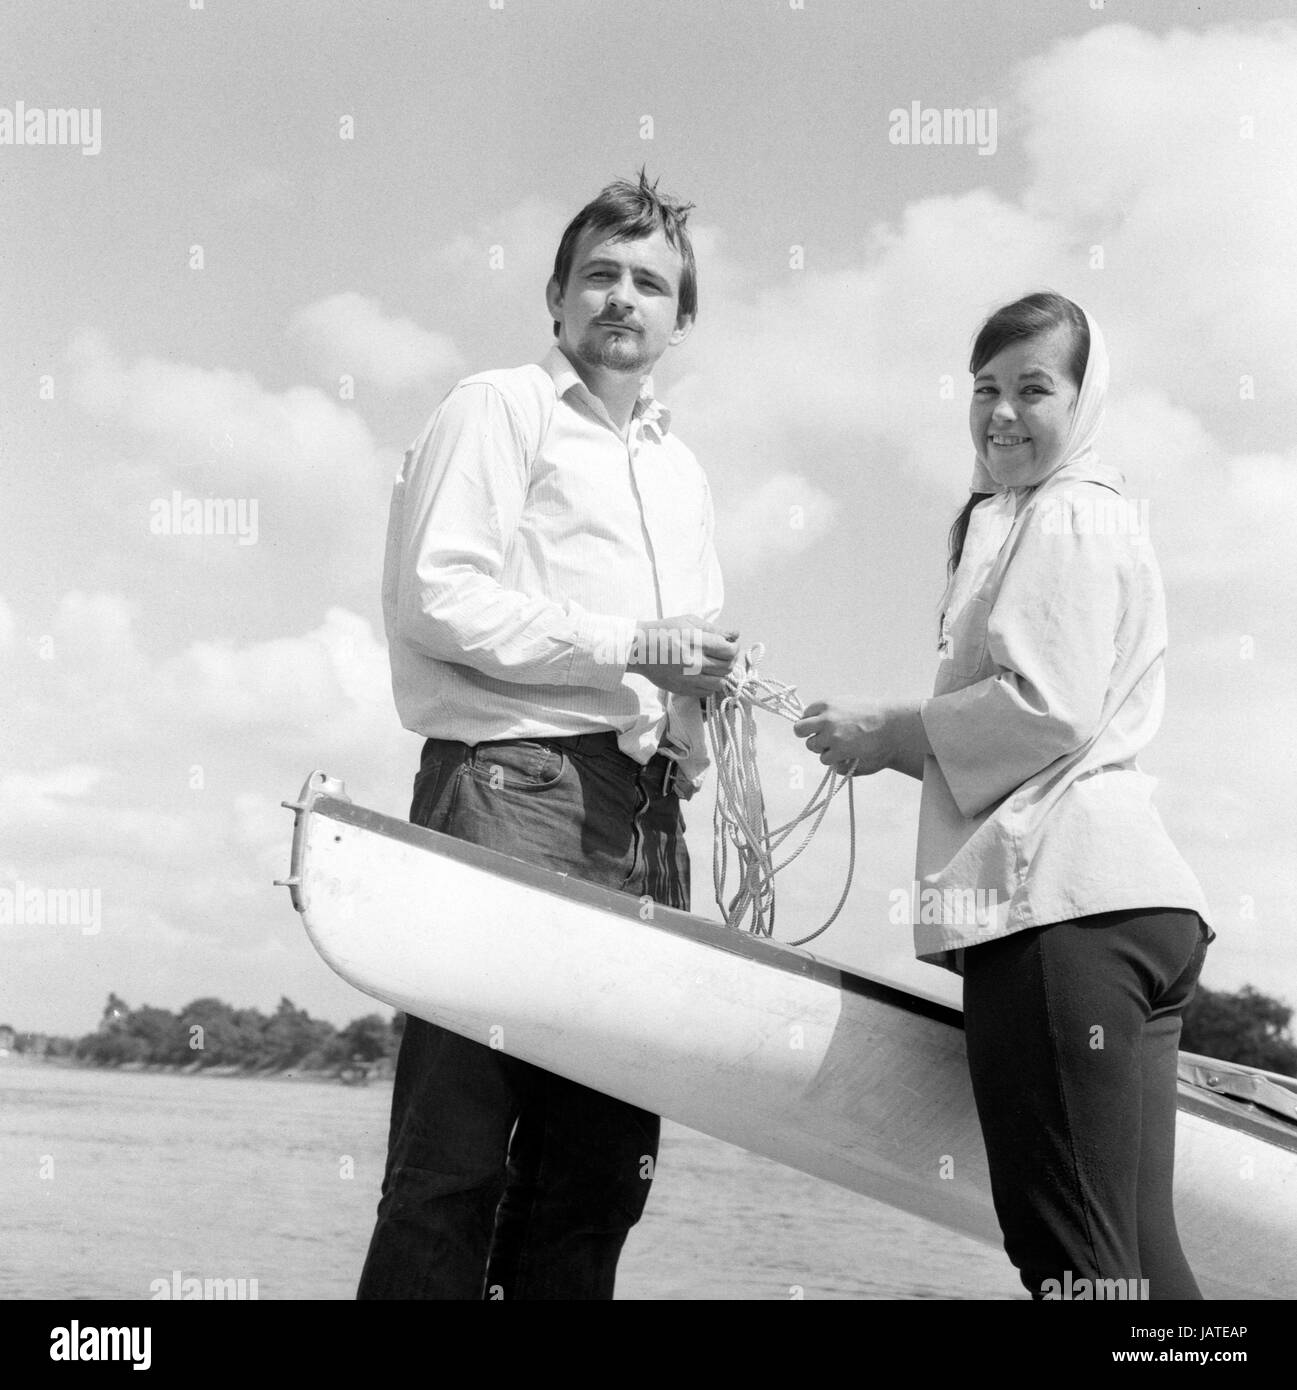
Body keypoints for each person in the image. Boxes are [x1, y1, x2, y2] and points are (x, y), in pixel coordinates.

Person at [360, 172, 737, 1300]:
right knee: (454, 1162)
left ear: (681, 319)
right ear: (556, 297)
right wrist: (637, 643)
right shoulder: (496, 406)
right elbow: (436, 595)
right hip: (506, 794)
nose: (624, 298)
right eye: (602, 276)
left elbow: (680, 656)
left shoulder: (684, 471)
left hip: (650, 824)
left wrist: (696, 705)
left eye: (651, 283)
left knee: (599, 1176)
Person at [794, 291, 1214, 1300]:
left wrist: (889, 731)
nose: (1001, 413)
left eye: (1033, 388)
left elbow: (1044, 707)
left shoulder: (1063, 513)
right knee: (1139, 1263)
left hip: (1060, 909)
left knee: (1072, 1265)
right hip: (1136, 909)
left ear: (1086, 397)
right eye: (984, 389)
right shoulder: (1075, 512)